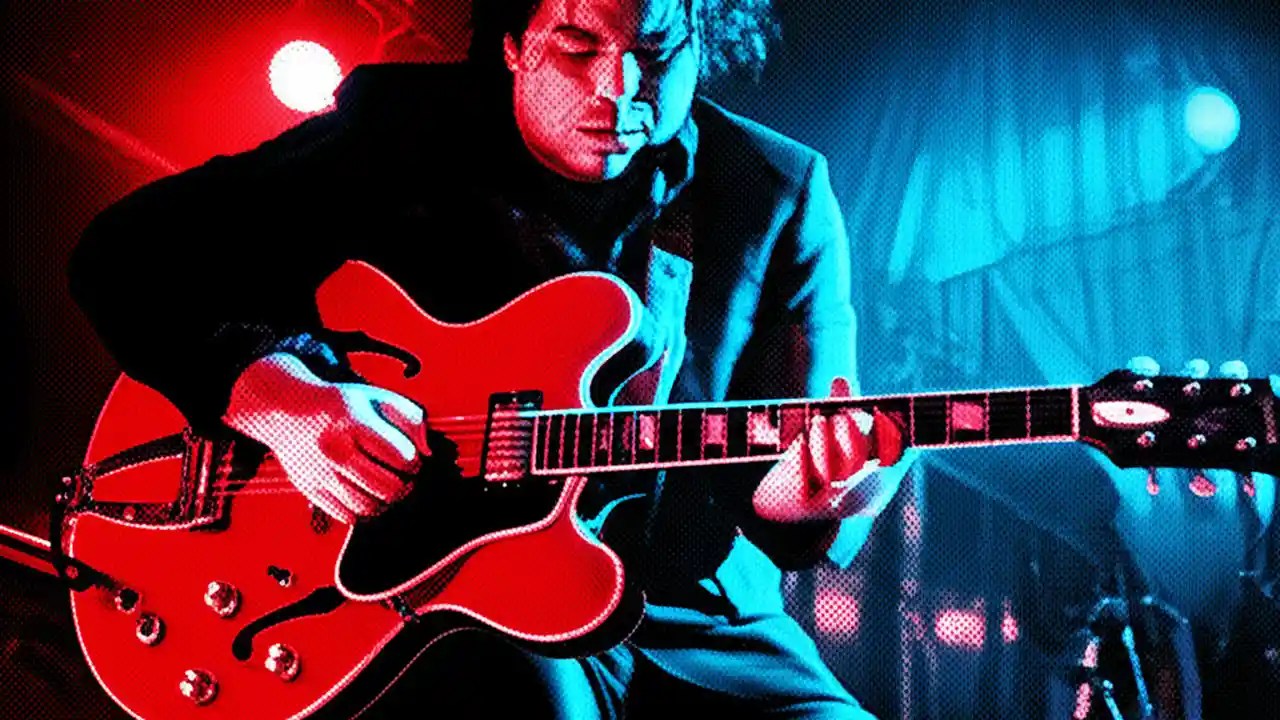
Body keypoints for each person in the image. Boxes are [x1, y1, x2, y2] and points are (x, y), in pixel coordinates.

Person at [67, 0, 915, 716]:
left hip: (696, 613)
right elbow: (124, 255)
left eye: (656, 52)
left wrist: (828, 489)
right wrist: (284, 400)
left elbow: (787, 469)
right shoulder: (397, 136)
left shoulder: (777, 188)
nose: (619, 88)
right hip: (454, 604)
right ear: (512, 47)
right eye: (577, 47)